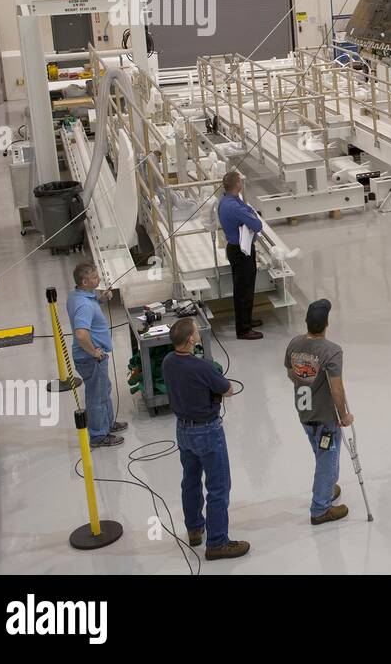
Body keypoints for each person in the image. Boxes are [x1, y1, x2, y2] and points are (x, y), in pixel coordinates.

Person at [161, 317, 249, 559]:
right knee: (218, 486)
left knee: (190, 479)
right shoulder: (202, 367)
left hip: (183, 430)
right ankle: (218, 542)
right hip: (207, 431)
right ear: (191, 339)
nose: (199, 333)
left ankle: (194, 528)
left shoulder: (168, 362)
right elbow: (227, 389)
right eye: (197, 331)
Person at [284, 299, 353, 525]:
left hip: (304, 413)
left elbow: (290, 374)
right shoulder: (332, 351)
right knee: (326, 458)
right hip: (324, 418)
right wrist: (344, 415)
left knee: (321, 452)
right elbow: (336, 387)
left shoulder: (294, 344)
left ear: (306, 323)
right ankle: (320, 509)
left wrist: (307, 382)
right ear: (327, 325)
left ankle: (329, 487)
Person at [67, 263, 127, 448]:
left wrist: (101, 299)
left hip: (93, 357)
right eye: (94, 277)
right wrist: (94, 352)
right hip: (91, 358)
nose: (98, 279)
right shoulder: (83, 305)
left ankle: (107, 423)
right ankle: (98, 435)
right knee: (96, 396)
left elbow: (91, 304)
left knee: (103, 390)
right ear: (84, 282)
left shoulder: (80, 295)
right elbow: (81, 334)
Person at [218, 171, 264, 340]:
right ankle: (243, 329)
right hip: (241, 251)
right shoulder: (234, 207)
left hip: (239, 249)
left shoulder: (228, 201)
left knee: (246, 286)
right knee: (243, 290)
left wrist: (250, 214)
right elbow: (257, 224)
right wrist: (252, 217)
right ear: (237, 184)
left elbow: (249, 209)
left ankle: (247, 320)